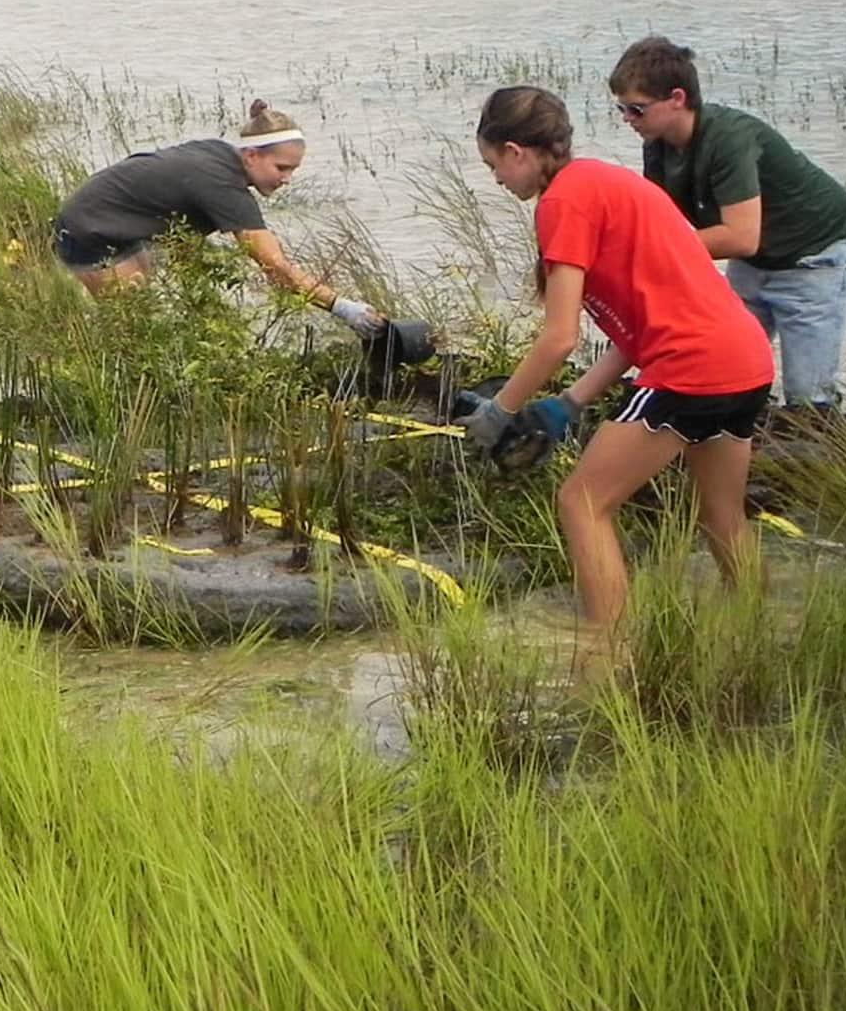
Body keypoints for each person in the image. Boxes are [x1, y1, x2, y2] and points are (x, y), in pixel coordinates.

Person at [465, 86, 775, 629]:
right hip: (746, 360)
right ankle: (758, 628)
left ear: (516, 151)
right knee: (721, 512)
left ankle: (608, 645)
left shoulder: (562, 202)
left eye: (494, 165)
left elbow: (559, 338)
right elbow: (641, 329)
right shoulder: (607, 181)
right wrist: (569, 403)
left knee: (582, 503)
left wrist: (500, 411)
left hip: (690, 367)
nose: (496, 179)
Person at [609, 37, 846, 411]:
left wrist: (652, 250)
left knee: (808, 397)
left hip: (815, 256)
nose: (627, 119)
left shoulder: (728, 139)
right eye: (622, 109)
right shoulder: (657, 144)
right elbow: (660, 223)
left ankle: (819, 436)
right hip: (755, 262)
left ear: (677, 98)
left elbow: (741, 237)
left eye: (636, 109)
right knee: (726, 368)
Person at [50, 101, 385, 335]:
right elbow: (276, 268)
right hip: (87, 231)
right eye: (281, 168)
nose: (287, 179)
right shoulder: (224, 188)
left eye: (293, 170)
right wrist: (344, 308)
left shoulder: (221, 153)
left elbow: (178, 210)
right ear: (251, 156)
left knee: (146, 306)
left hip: (115, 221)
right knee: (132, 326)